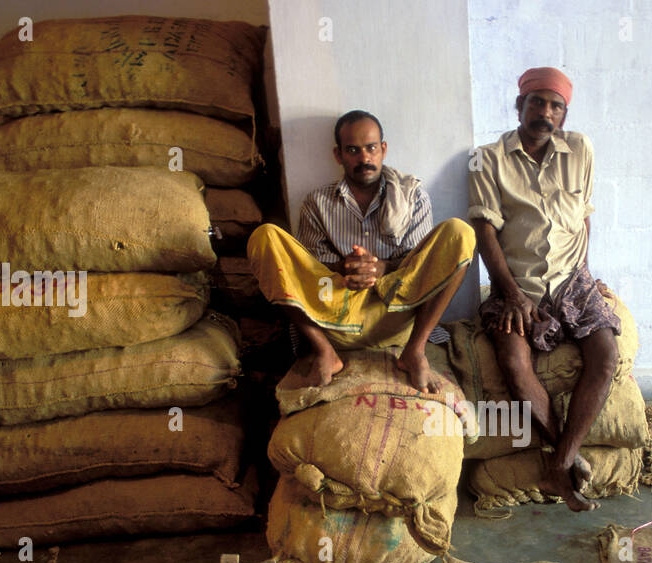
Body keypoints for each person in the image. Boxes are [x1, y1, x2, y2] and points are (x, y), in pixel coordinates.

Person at [468, 67, 621, 511]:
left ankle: (561, 462)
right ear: (520, 107)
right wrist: (512, 294)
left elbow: (585, 215)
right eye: (537, 103)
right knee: (515, 366)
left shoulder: (581, 149)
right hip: (516, 283)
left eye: (556, 106)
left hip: (572, 280)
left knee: (606, 355)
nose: (545, 113)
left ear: (564, 114)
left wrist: (588, 274)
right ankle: (567, 461)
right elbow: (483, 230)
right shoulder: (486, 158)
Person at [248, 110, 476, 391]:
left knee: (460, 233)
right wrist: (344, 269)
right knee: (265, 236)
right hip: (335, 319)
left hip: (397, 315)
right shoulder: (317, 203)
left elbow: (419, 264)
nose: (364, 158)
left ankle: (414, 351)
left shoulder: (412, 196)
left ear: (383, 149)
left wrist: (381, 268)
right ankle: (324, 352)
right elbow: (310, 271)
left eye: (371, 148)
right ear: (338, 155)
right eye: (353, 150)